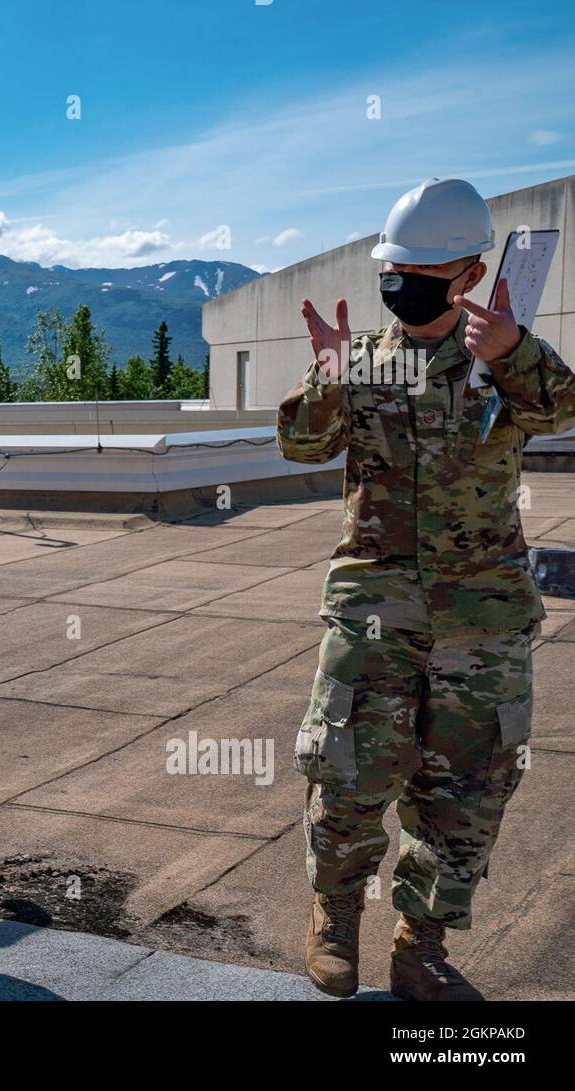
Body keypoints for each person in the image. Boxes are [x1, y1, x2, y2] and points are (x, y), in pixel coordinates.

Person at [279, 178, 575, 1000]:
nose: (400, 282)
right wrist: (328, 373)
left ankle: (423, 944)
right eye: (393, 267)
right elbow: (304, 444)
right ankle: (334, 918)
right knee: (345, 770)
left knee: (470, 788)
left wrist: (513, 351)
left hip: (481, 621)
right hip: (375, 612)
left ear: (470, 274)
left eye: (420, 268)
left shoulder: (506, 358)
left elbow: (559, 408)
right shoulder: (364, 360)